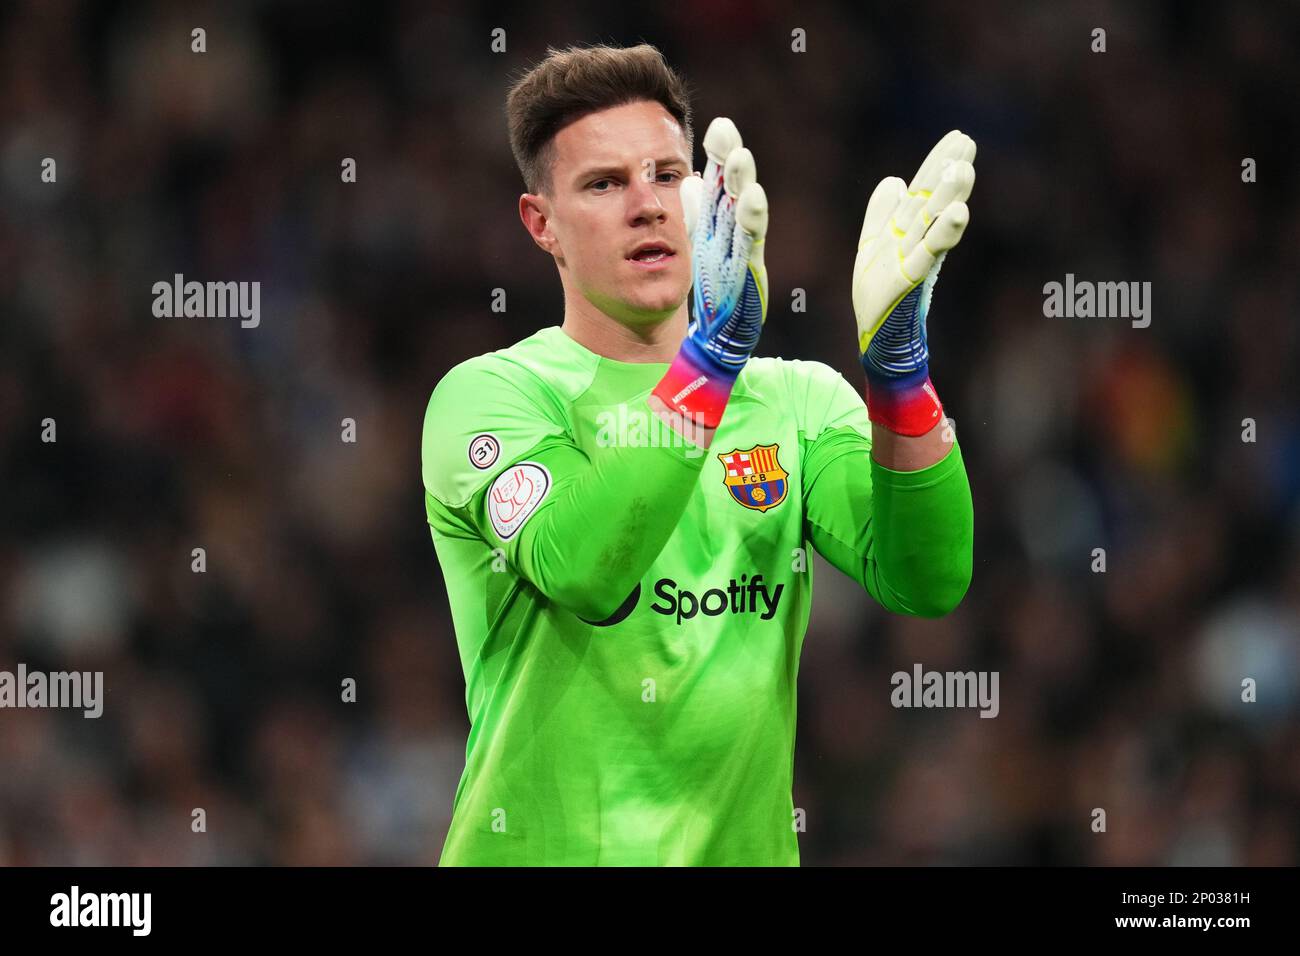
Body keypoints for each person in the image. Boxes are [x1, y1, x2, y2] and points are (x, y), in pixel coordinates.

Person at [421, 42, 975, 865]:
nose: (647, 205)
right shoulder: (494, 396)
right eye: (604, 184)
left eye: (667, 175)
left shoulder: (799, 403)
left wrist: (899, 379)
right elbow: (583, 564)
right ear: (542, 225)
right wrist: (709, 362)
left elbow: (928, 580)